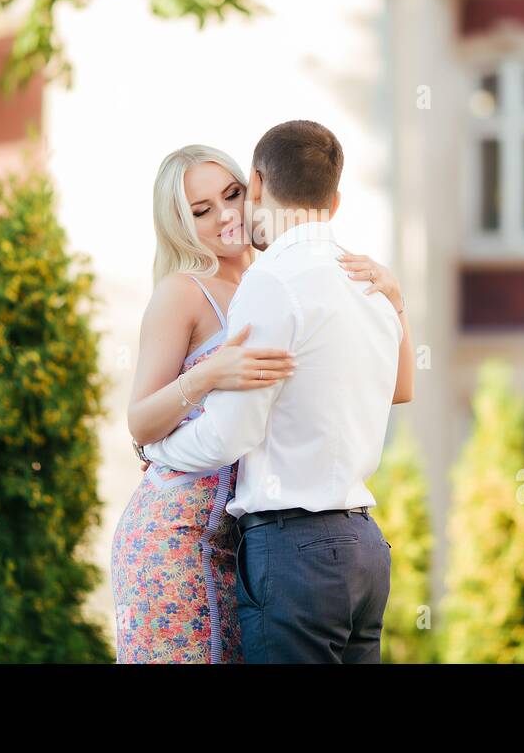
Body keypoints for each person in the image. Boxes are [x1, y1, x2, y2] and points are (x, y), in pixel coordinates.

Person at [109, 137, 411, 663]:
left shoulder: (284, 278)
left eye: (232, 194)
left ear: (257, 190)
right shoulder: (184, 291)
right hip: (179, 532)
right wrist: (207, 377)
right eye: (202, 211)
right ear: (181, 224)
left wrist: (396, 304)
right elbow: (140, 423)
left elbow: (400, 388)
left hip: (250, 540)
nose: (226, 215)